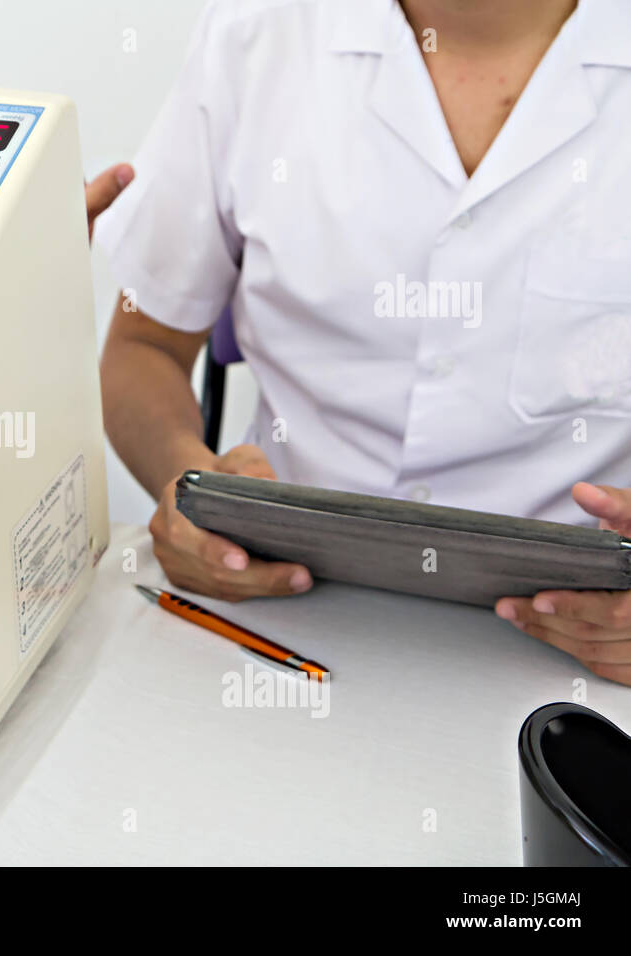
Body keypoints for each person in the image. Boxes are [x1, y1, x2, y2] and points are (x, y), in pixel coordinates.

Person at [87, 0, 631, 685]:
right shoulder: (258, 32)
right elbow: (145, 347)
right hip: (272, 612)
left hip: (582, 642)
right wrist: (186, 488)